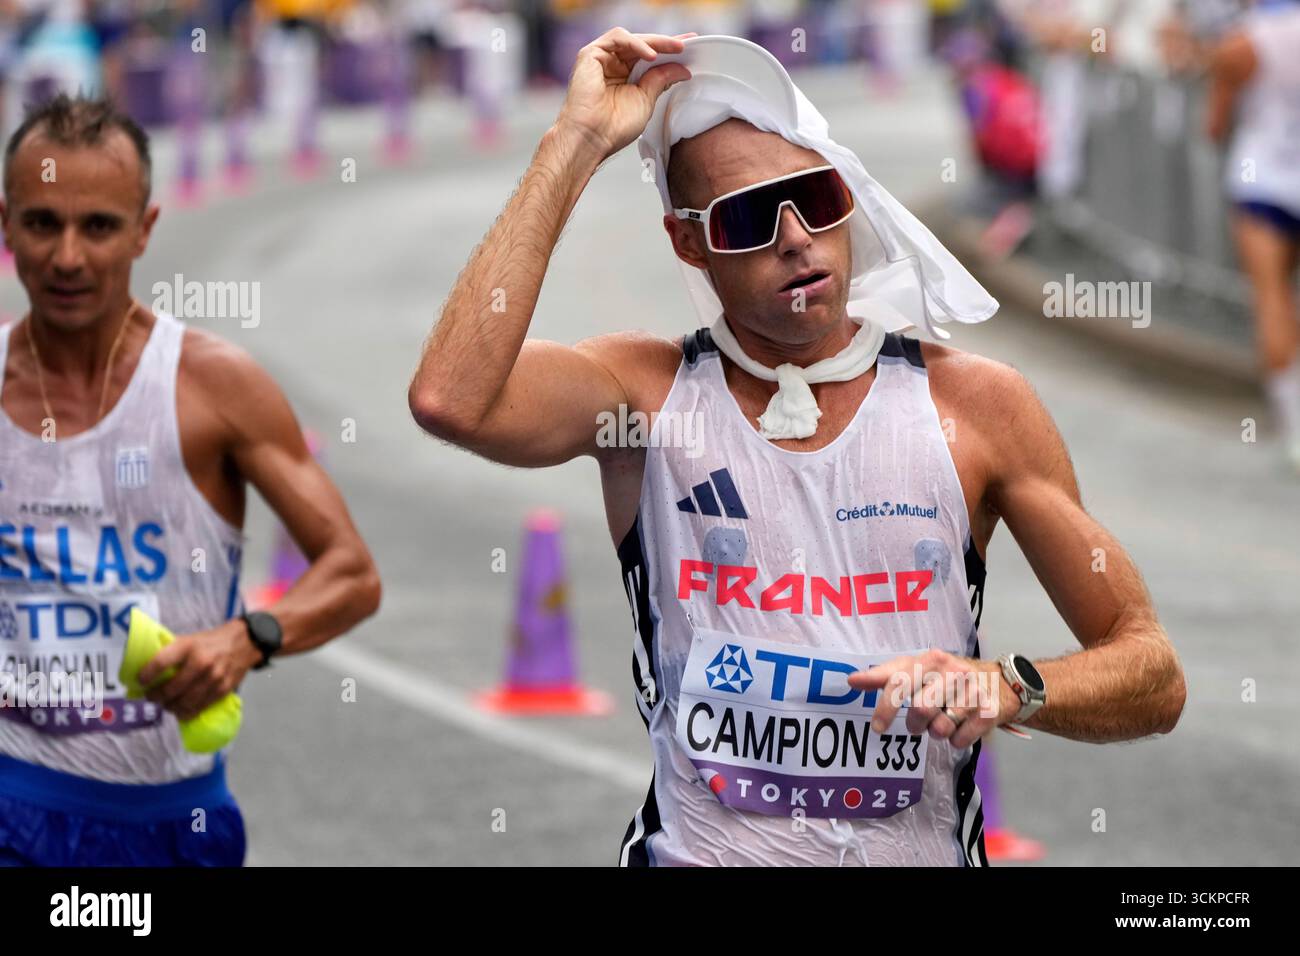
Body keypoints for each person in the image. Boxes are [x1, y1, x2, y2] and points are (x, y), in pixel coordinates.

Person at [408, 29, 1186, 867]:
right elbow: (452, 399)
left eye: (813, 198)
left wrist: (1008, 689)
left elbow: (1149, 672)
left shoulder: (976, 404)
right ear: (688, 243)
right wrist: (577, 142)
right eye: (747, 218)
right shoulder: (645, 394)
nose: (794, 238)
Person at [0, 93, 382, 866]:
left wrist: (246, 641)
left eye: (99, 226)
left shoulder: (213, 386)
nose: (67, 257)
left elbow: (352, 573)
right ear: (5, 225)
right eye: (41, 223)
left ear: (144, 230)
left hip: (172, 820)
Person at [1206, 3, 1300, 472]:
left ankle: (1295, 427)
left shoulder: (1244, 42)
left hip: (1263, 180)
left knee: (1272, 299)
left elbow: (1214, 126)